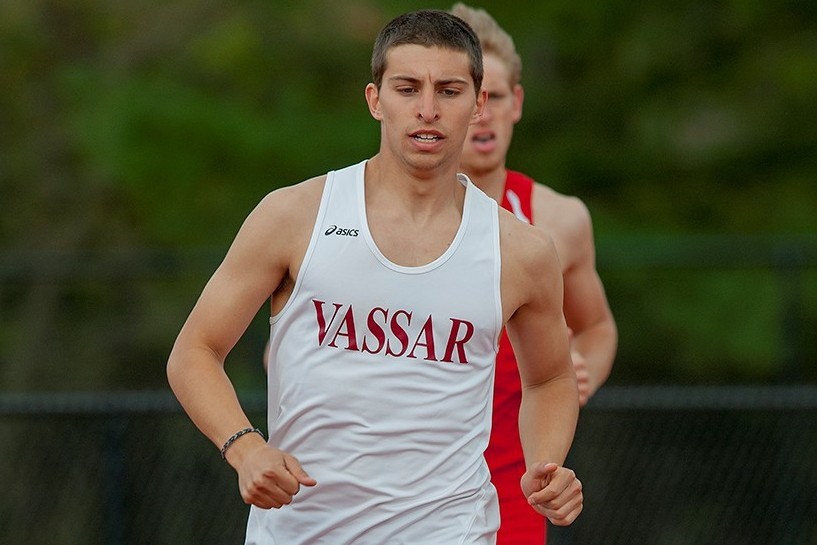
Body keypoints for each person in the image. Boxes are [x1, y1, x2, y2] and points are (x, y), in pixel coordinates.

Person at [167, 9, 582, 545]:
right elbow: (194, 351)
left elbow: (549, 377)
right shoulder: (295, 216)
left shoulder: (521, 250)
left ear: (479, 105)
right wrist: (245, 448)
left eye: (450, 91)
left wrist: (546, 463)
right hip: (300, 532)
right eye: (408, 88)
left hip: (451, 532)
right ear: (375, 99)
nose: (427, 110)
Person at [450, 4, 618, 544]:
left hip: (512, 483)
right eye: (466, 98)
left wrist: (575, 376)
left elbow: (596, 328)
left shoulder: (559, 220)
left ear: (515, 102)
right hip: (409, 483)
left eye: (494, 97)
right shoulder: (379, 221)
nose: (482, 114)